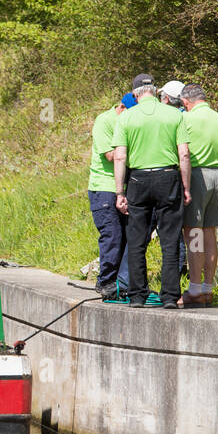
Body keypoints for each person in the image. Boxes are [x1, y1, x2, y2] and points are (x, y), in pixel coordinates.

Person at [113, 74, 191, 308]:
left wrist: (119, 192)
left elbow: (119, 156)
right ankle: (169, 297)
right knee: (170, 239)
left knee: (137, 240)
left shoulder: (126, 117)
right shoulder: (174, 115)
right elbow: (184, 153)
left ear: (135, 94)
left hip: (138, 179)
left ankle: (137, 296)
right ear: (157, 92)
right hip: (168, 177)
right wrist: (186, 186)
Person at [87, 92, 137, 300]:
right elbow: (110, 155)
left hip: (125, 187)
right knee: (112, 235)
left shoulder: (130, 122)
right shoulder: (105, 121)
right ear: (122, 109)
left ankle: (122, 282)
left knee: (128, 236)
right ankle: (106, 281)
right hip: (104, 187)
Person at [180, 83, 218, 305]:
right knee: (210, 234)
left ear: (186, 102)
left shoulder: (186, 119)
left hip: (197, 177)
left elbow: (183, 153)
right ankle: (208, 288)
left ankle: (195, 289)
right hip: (217, 175)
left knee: (194, 235)